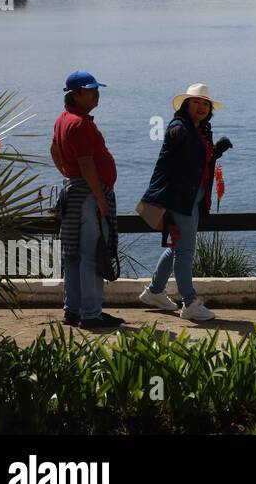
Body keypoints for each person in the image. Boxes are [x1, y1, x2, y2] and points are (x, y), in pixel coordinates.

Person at [137, 83, 231, 322]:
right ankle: (189, 302)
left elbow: (196, 161)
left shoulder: (201, 129)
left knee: (177, 247)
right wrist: (178, 131)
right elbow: (176, 139)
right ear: (186, 105)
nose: (201, 107)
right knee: (186, 251)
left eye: (205, 104)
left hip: (193, 199)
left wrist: (215, 153)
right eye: (196, 102)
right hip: (179, 200)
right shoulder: (179, 126)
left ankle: (155, 291)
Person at [50, 71, 125, 329]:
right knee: (92, 254)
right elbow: (87, 164)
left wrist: (67, 174)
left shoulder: (63, 119)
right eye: (91, 90)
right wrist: (101, 201)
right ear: (76, 94)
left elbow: (54, 151)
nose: (97, 94)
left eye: (97, 89)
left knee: (74, 255)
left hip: (74, 194)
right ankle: (91, 313)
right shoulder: (80, 123)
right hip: (89, 197)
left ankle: (73, 309)